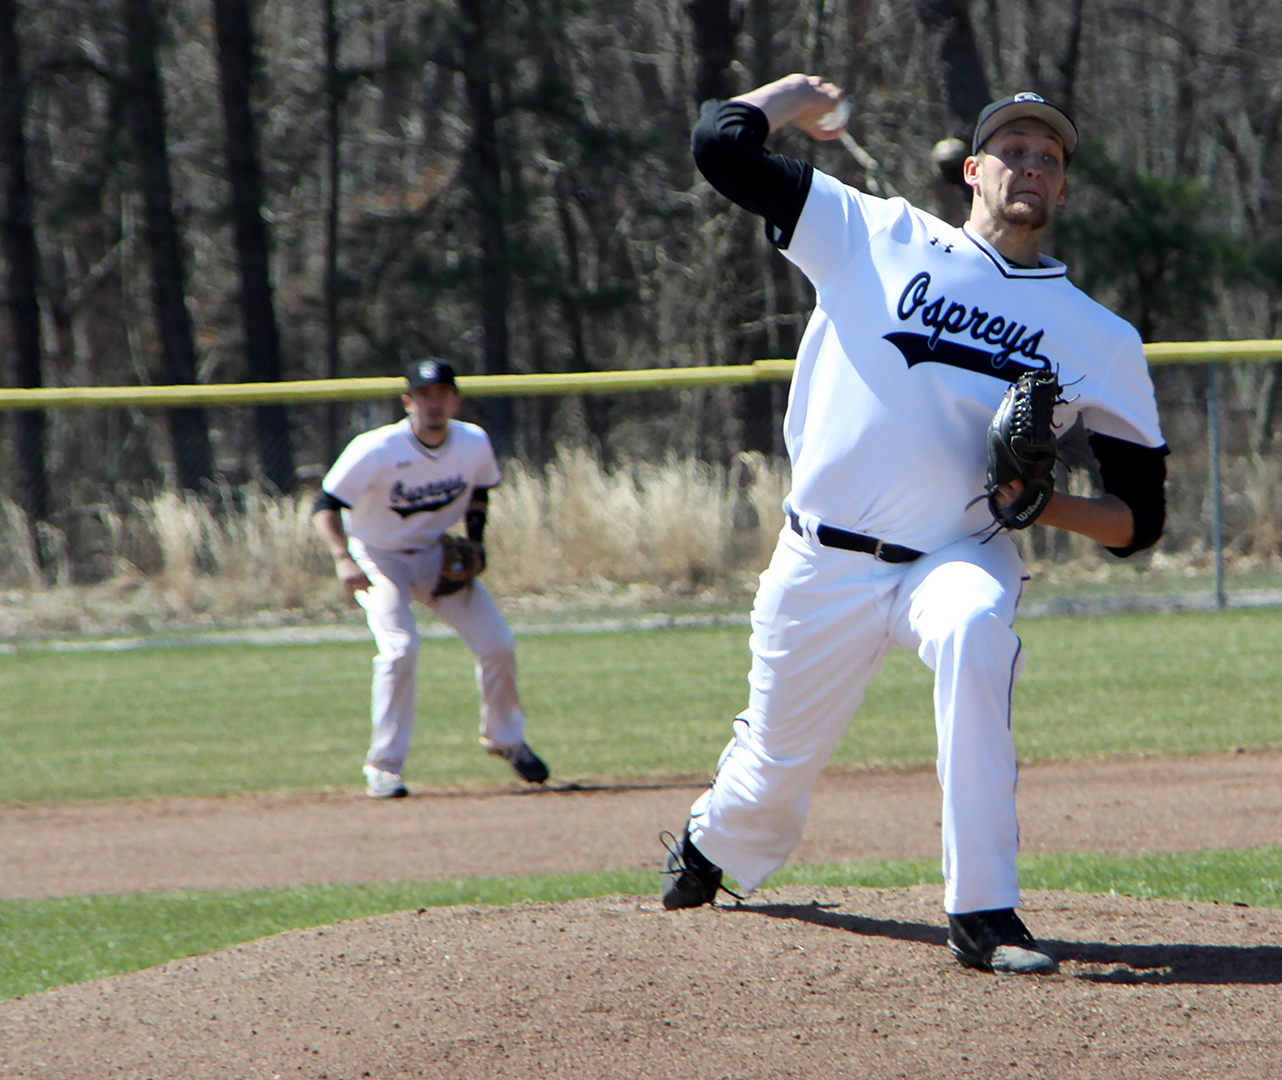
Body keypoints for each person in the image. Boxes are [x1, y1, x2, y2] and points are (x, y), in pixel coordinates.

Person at [661, 75, 1169, 976]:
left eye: (1048, 158)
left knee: (978, 631)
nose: (1031, 166)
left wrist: (1046, 507)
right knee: (770, 776)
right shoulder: (874, 233)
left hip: (958, 554)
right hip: (822, 561)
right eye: (1012, 150)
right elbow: (719, 149)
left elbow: (1141, 523)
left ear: (1064, 190)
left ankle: (984, 911)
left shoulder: (1100, 338)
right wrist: (793, 99)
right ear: (973, 171)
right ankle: (713, 842)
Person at [310, 358, 549, 799]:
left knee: (498, 643)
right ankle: (384, 768)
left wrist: (475, 542)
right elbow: (324, 503)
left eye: (441, 395)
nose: (433, 404)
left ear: (455, 400)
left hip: (436, 554)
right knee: (400, 649)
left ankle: (506, 740)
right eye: (424, 396)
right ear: (408, 403)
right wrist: (343, 558)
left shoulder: (473, 442)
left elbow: (479, 492)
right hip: (379, 558)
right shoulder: (376, 448)